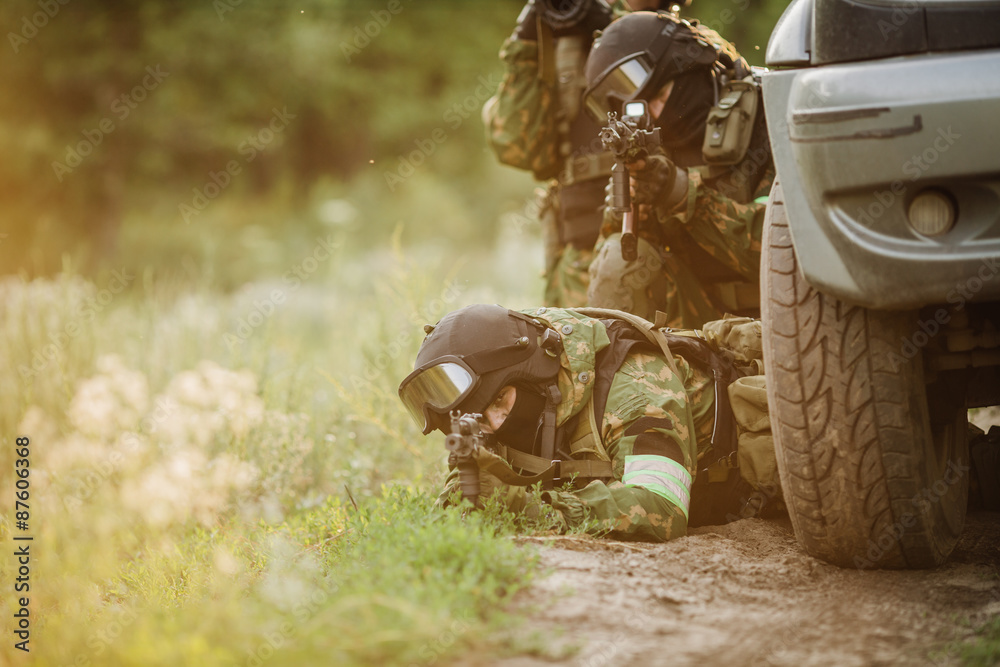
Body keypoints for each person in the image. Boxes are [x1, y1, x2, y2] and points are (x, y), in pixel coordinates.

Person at [398, 304, 774, 542]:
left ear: (534, 373)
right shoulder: (509, 389)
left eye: (499, 403)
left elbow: (663, 508)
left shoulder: (635, 387)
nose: (493, 427)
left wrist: (534, 508)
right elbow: (473, 480)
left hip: (758, 471)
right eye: (478, 421)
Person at [581, 11, 774, 327]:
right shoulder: (652, 143)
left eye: (659, 95)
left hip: (783, 321)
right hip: (699, 321)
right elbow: (611, 267)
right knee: (619, 258)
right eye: (645, 106)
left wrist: (679, 193)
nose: (656, 114)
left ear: (690, 67)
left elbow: (784, 252)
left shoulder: (769, 115)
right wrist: (628, 215)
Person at [482, 0, 667, 308]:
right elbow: (518, 147)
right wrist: (527, 40)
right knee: (572, 353)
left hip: (648, 250)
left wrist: (615, 26)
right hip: (576, 255)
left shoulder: (662, 36)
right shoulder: (558, 49)